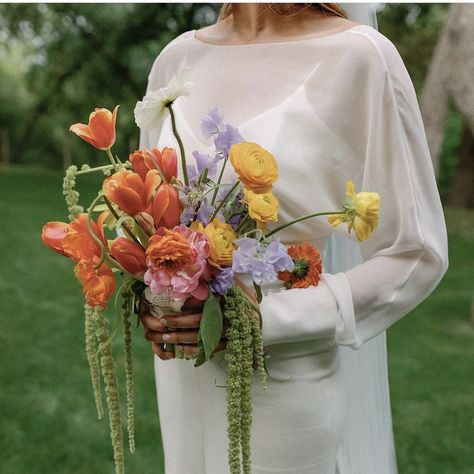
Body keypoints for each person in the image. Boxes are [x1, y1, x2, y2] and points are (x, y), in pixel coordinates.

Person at [139, 3, 449, 473]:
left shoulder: (361, 58)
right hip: (182, 372)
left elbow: (417, 252)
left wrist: (268, 319)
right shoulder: (176, 58)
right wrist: (151, 295)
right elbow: (147, 210)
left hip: (281, 377)